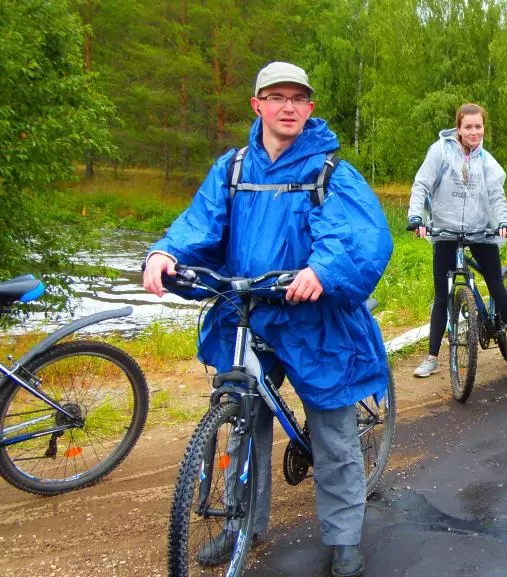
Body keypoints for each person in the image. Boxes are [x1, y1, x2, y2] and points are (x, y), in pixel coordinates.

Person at [141, 61, 391, 577]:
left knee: (333, 430)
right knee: (240, 420)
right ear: (257, 105)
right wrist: (166, 253)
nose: (288, 107)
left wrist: (323, 269)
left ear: (309, 108)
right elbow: (201, 222)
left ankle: (344, 537)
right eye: (277, 97)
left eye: (298, 99)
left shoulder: (328, 172)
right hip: (247, 312)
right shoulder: (232, 169)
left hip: (313, 318)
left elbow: (360, 237)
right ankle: (239, 524)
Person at [407, 103, 507, 377]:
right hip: (446, 232)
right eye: (468, 127)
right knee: (442, 295)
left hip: (480, 231)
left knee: (495, 285)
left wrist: (503, 223)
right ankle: (432, 357)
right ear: (458, 129)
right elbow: (422, 185)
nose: (474, 132)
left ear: (483, 127)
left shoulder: (487, 160)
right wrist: (416, 218)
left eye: (478, 126)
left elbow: (497, 197)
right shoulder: (440, 152)